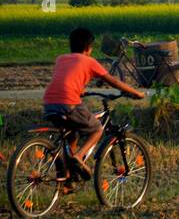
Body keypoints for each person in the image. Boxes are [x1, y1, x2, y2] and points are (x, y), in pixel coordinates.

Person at [43, 28, 144, 179]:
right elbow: (113, 81)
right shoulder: (89, 61)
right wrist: (135, 92)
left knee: (72, 135)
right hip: (68, 102)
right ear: (88, 48)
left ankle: (67, 180)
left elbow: (67, 79)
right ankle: (79, 157)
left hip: (49, 102)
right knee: (97, 129)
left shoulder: (61, 58)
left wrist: (80, 91)